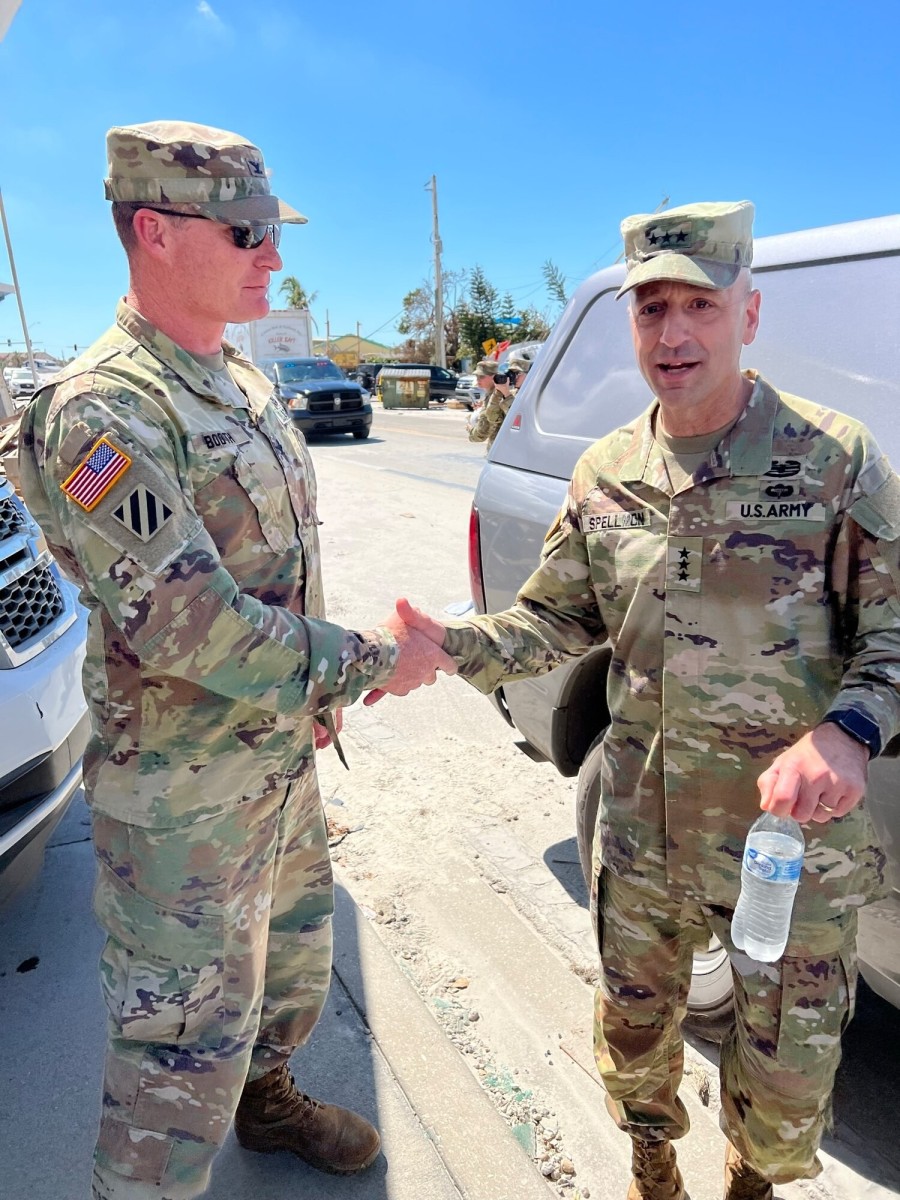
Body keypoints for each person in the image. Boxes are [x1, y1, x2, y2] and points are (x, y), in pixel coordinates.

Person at [388, 201, 900, 1199]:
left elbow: (893, 632)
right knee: (633, 1045)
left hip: (783, 847)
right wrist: (448, 646)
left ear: (748, 314)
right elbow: (550, 623)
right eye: (651, 307)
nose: (673, 334)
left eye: (699, 305)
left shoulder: (836, 460)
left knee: (786, 1084)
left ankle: (749, 1181)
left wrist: (847, 732)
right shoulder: (604, 473)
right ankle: (652, 1170)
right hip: (641, 829)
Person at [17, 120, 456, 1200]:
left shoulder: (240, 384)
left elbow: (275, 573)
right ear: (156, 233)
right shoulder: (100, 416)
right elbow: (187, 622)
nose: (275, 253)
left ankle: (269, 1101)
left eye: (274, 230)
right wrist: (366, 661)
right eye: (249, 229)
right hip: (182, 812)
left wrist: (316, 697)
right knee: (174, 1060)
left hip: (276, 767)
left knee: (294, 963)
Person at [467, 355, 520, 448]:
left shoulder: (499, 395)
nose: (478, 379)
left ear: (494, 377)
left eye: (482, 376)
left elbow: (483, 431)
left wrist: (471, 430)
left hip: (501, 448)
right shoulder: (492, 394)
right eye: (477, 376)